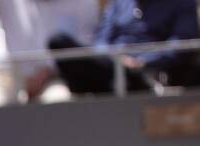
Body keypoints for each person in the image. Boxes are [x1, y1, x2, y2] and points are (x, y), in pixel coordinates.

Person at [49, 0, 200, 94]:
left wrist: (143, 61)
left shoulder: (182, 3)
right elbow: (100, 41)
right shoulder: (118, 3)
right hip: (112, 68)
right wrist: (117, 60)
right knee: (58, 42)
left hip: (150, 74)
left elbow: (182, 43)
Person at [0, 0, 99, 106]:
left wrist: (47, 71)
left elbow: (81, 51)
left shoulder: (85, 3)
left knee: (60, 104)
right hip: (0, 74)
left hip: (56, 76)